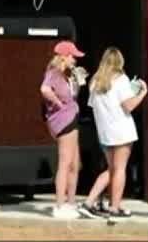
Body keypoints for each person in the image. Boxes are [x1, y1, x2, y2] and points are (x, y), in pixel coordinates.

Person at [82, 46, 148, 219]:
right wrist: (142, 93)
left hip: (105, 131)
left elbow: (93, 107)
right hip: (122, 130)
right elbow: (128, 106)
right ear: (120, 61)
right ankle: (114, 207)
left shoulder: (95, 82)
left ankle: (89, 202)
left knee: (111, 170)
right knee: (119, 170)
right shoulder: (121, 79)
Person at [40, 39, 86, 220]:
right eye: (73, 56)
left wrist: (78, 82)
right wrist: (58, 103)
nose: (75, 60)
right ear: (64, 56)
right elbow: (44, 90)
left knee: (75, 164)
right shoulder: (54, 72)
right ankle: (59, 205)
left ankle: (70, 203)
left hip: (72, 118)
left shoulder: (66, 75)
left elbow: (72, 97)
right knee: (65, 163)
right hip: (64, 122)